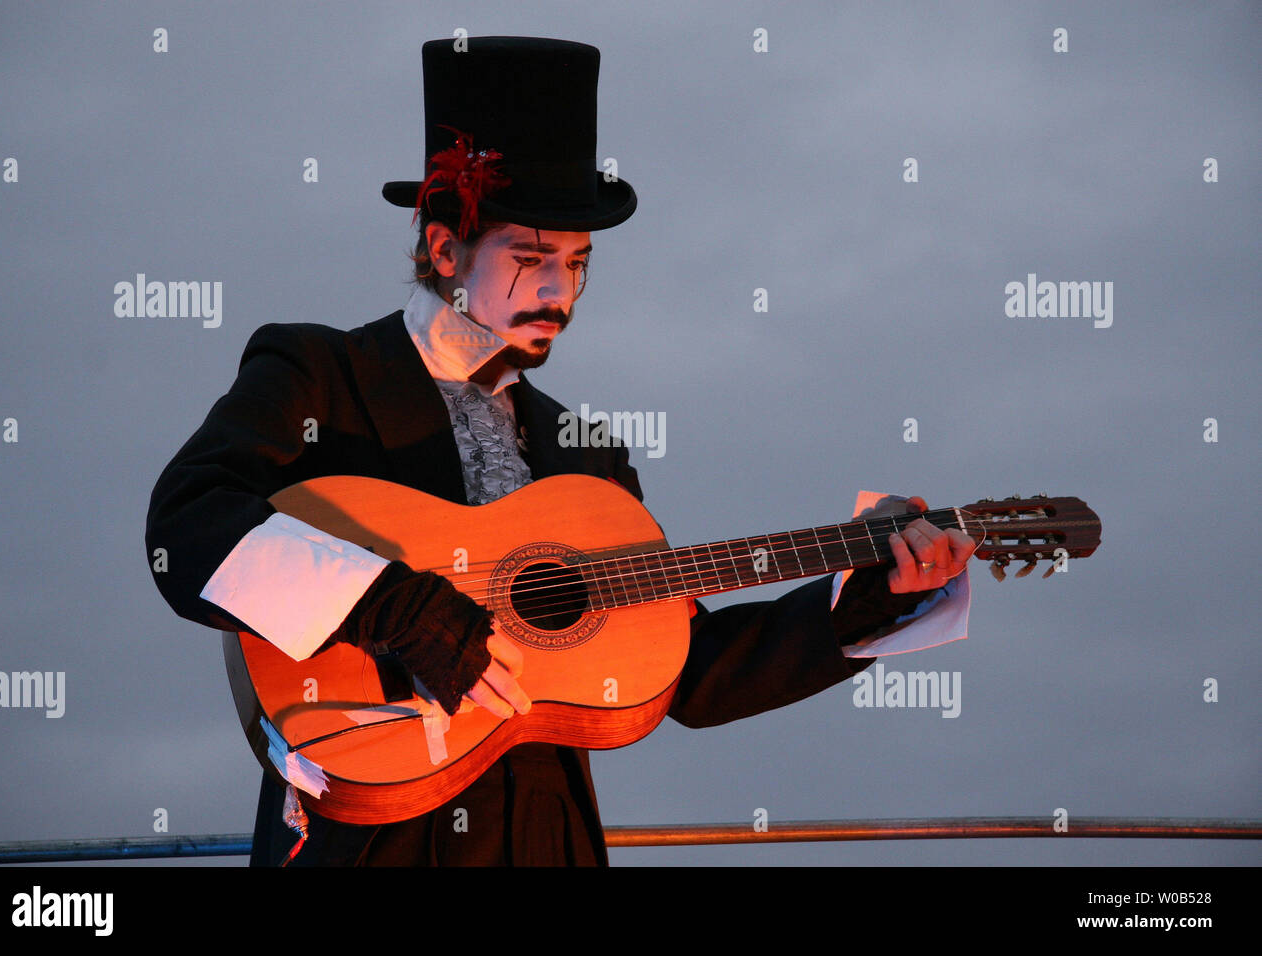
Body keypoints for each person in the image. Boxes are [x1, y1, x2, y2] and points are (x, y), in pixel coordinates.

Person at [144, 36, 975, 866]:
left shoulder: (590, 461)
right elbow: (187, 523)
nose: (559, 294)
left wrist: (868, 592)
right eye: (532, 258)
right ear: (444, 250)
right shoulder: (321, 374)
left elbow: (686, 669)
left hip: (544, 842)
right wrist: (395, 607)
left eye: (577, 264)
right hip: (362, 843)